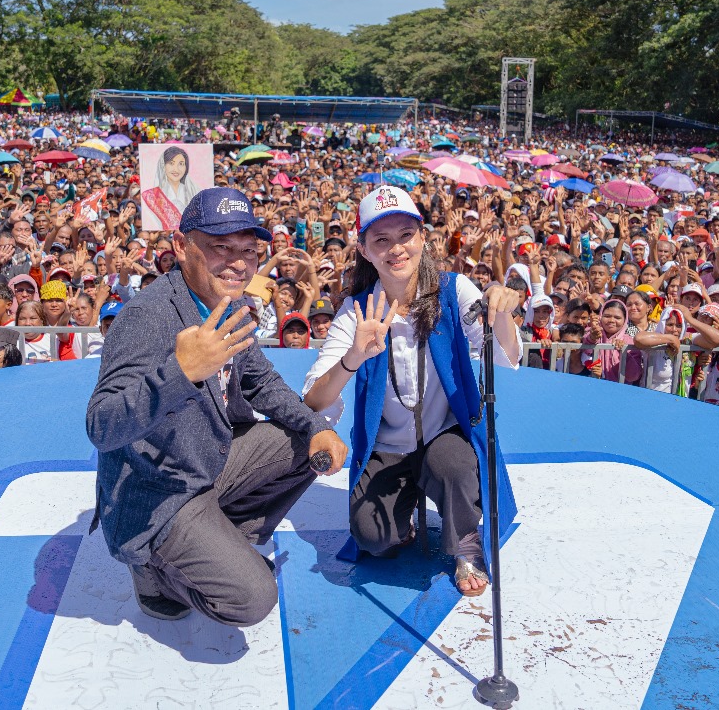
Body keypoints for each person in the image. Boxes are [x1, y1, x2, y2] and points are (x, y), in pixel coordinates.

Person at [86, 187, 346, 625]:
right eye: (219, 247)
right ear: (181, 247)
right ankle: (153, 569)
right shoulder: (148, 316)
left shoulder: (228, 304)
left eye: (248, 249)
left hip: (205, 462)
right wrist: (180, 373)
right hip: (159, 492)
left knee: (306, 442)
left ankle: (216, 540)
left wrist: (316, 424)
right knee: (252, 599)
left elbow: (260, 381)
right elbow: (101, 425)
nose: (239, 261)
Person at [302, 186, 523, 598]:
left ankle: (464, 543)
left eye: (406, 235)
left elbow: (508, 356)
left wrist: (503, 314)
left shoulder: (455, 292)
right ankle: (404, 521)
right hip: (389, 448)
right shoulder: (356, 310)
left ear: (423, 238)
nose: (396, 249)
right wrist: (353, 356)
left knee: (453, 465)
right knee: (371, 537)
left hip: (444, 434)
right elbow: (314, 399)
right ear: (365, 250)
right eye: (381, 240)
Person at [141, 145, 201, 230]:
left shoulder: (194, 192)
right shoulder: (150, 196)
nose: (176, 169)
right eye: (171, 163)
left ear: (186, 167)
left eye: (181, 164)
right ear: (163, 166)